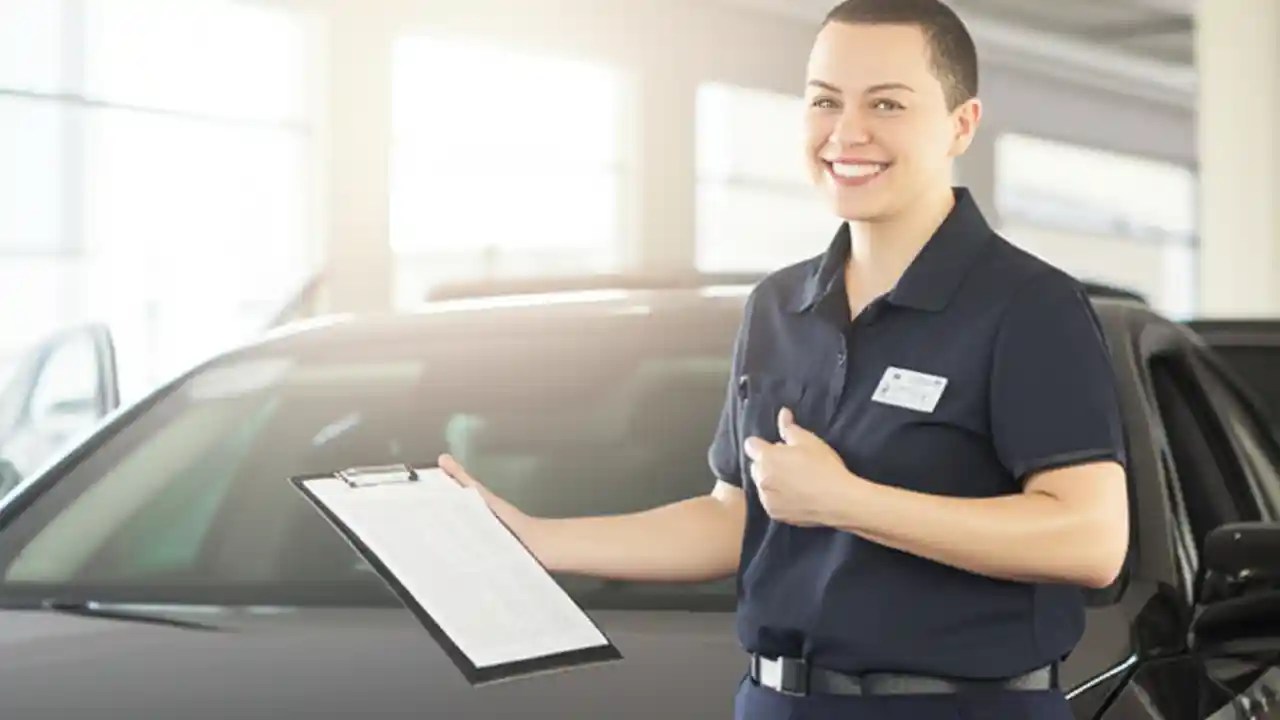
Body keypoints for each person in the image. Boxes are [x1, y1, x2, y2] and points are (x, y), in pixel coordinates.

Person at [439, 0, 1129, 717]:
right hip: (778, 703)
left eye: (887, 103)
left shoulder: (1027, 306)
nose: (847, 132)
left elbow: (1089, 540)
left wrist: (849, 503)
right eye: (825, 101)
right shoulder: (777, 305)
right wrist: (542, 541)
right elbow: (736, 518)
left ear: (961, 124)